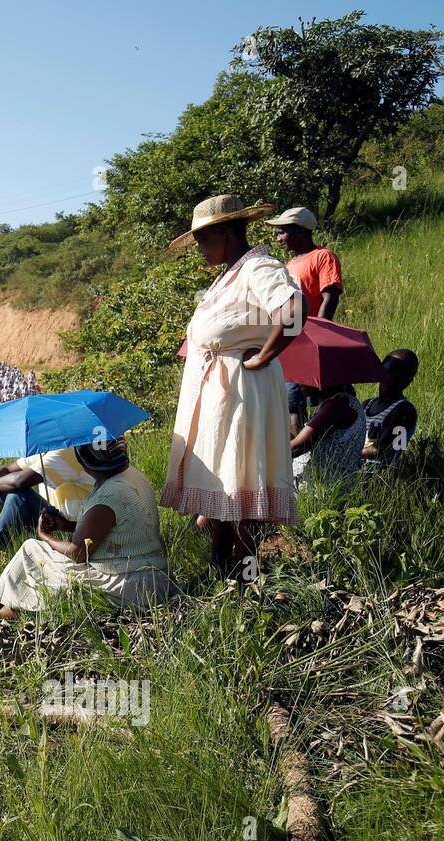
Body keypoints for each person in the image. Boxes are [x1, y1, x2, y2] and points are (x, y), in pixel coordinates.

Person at [162, 195, 303, 573]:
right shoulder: (231, 274)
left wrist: (265, 355)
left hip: (241, 391)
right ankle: (220, 566)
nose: (200, 249)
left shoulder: (259, 267)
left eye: (203, 240)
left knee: (240, 476)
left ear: (225, 232)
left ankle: (245, 572)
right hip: (218, 392)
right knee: (223, 481)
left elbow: (292, 310)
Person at [0, 439, 178, 620]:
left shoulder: (106, 498)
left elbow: (78, 553)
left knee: (31, 548)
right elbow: (110, 528)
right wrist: (67, 526)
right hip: (152, 577)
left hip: (125, 585)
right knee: (32, 588)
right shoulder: (132, 477)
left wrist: (45, 536)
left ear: (84, 461)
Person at [266, 206, 344, 433]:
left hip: (312, 343)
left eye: (282, 232)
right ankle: (297, 459)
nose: (279, 239)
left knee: (321, 401)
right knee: (293, 402)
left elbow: (330, 297)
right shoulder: (289, 265)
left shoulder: (323, 257)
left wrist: (318, 338)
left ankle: (320, 455)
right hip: (291, 343)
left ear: (299, 231)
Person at [0, 448, 95, 579]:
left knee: (19, 497)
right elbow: (7, 469)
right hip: (53, 520)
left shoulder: (67, 452)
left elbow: (19, 481)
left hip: (73, 532)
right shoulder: (47, 451)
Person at [290, 383, 365, 487]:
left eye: (310, 377)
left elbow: (298, 447)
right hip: (320, 483)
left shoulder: (336, 406)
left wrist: (263, 456)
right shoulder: (336, 402)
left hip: (326, 488)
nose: (301, 383)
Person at [362, 349, 419, 466]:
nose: (392, 377)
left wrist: (348, 454)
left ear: (409, 380)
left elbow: (381, 450)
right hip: (353, 465)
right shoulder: (368, 404)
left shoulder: (404, 410)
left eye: (401, 372)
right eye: (390, 370)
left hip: (375, 472)